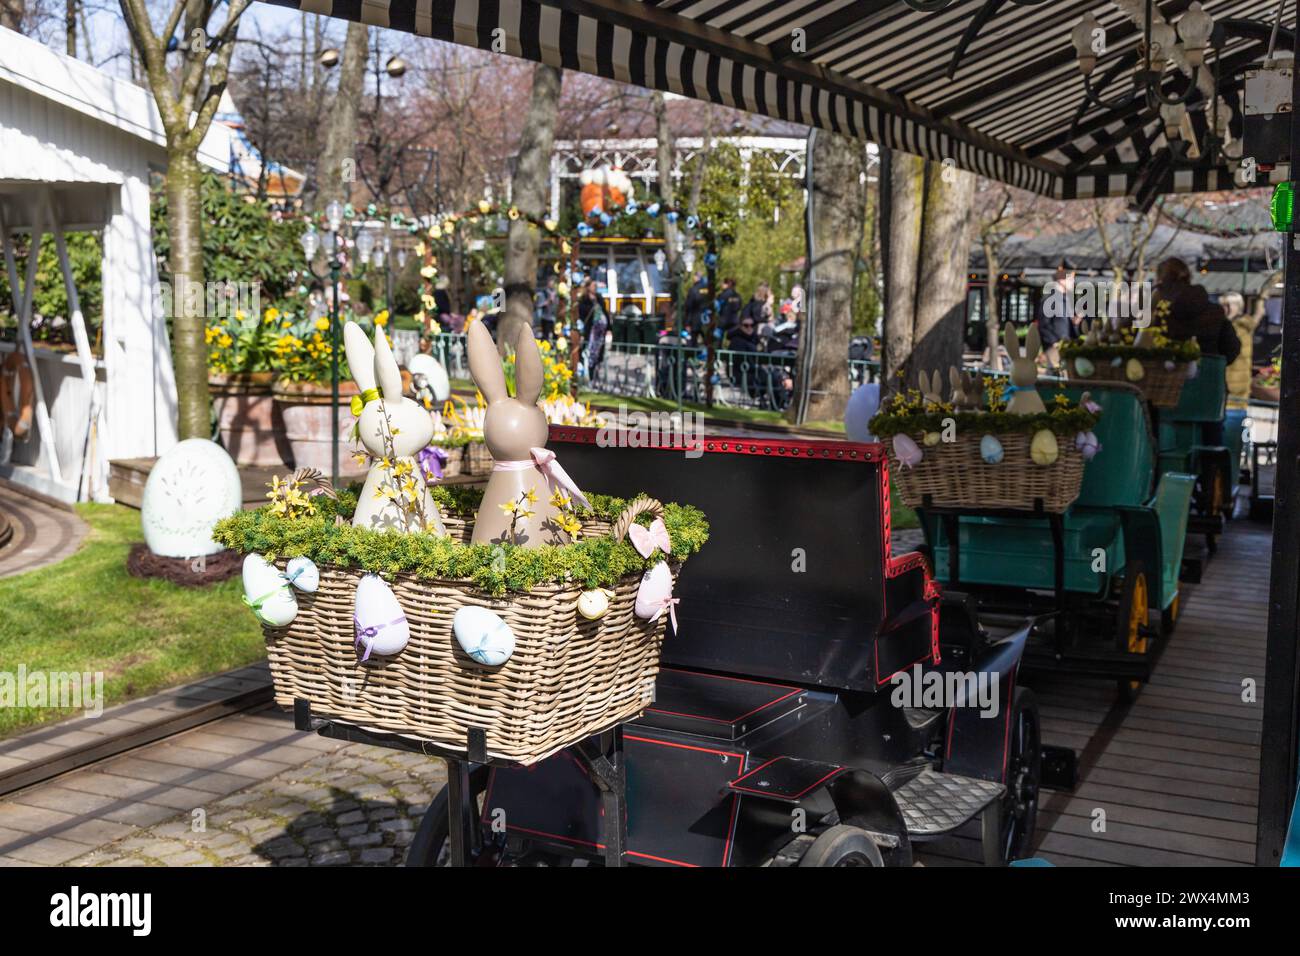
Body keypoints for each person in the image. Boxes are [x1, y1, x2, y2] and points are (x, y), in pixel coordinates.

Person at [1152, 258, 1241, 363]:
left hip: (1165, 375)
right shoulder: (1215, 311)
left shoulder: (1159, 311)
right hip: (1207, 375)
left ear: (1161, 281)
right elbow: (1231, 349)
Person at [1035, 263, 1076, 369]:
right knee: (1056, 378)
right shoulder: (1050, 299)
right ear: (1062, 280)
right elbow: (1043, 325)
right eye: (1071, 279)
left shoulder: (1064, 299)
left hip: (1064, 347)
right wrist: (1054, 343)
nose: (1073, 282)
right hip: (1054, 350)